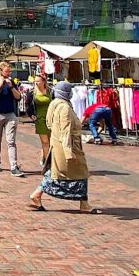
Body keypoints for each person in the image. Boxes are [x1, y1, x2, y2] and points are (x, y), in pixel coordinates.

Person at [29, 81, 93, 212]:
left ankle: (83, 203)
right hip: (68, 146)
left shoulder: (53, 104)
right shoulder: (65, 108)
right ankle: (83, 204)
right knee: (78, 173)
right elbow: (66, 131)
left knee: (56, 173)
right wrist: (69, 152)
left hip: (57, 145)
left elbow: (49, 124)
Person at [0, 61, 23, 176]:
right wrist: (0, 84)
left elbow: (18, 97)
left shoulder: (11, 82)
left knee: (11, 141)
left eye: (9, 71)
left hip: (10, 114)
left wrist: (11, 86)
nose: (8, 73)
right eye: (6, 71)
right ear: (0, 71)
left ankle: (14, 166)